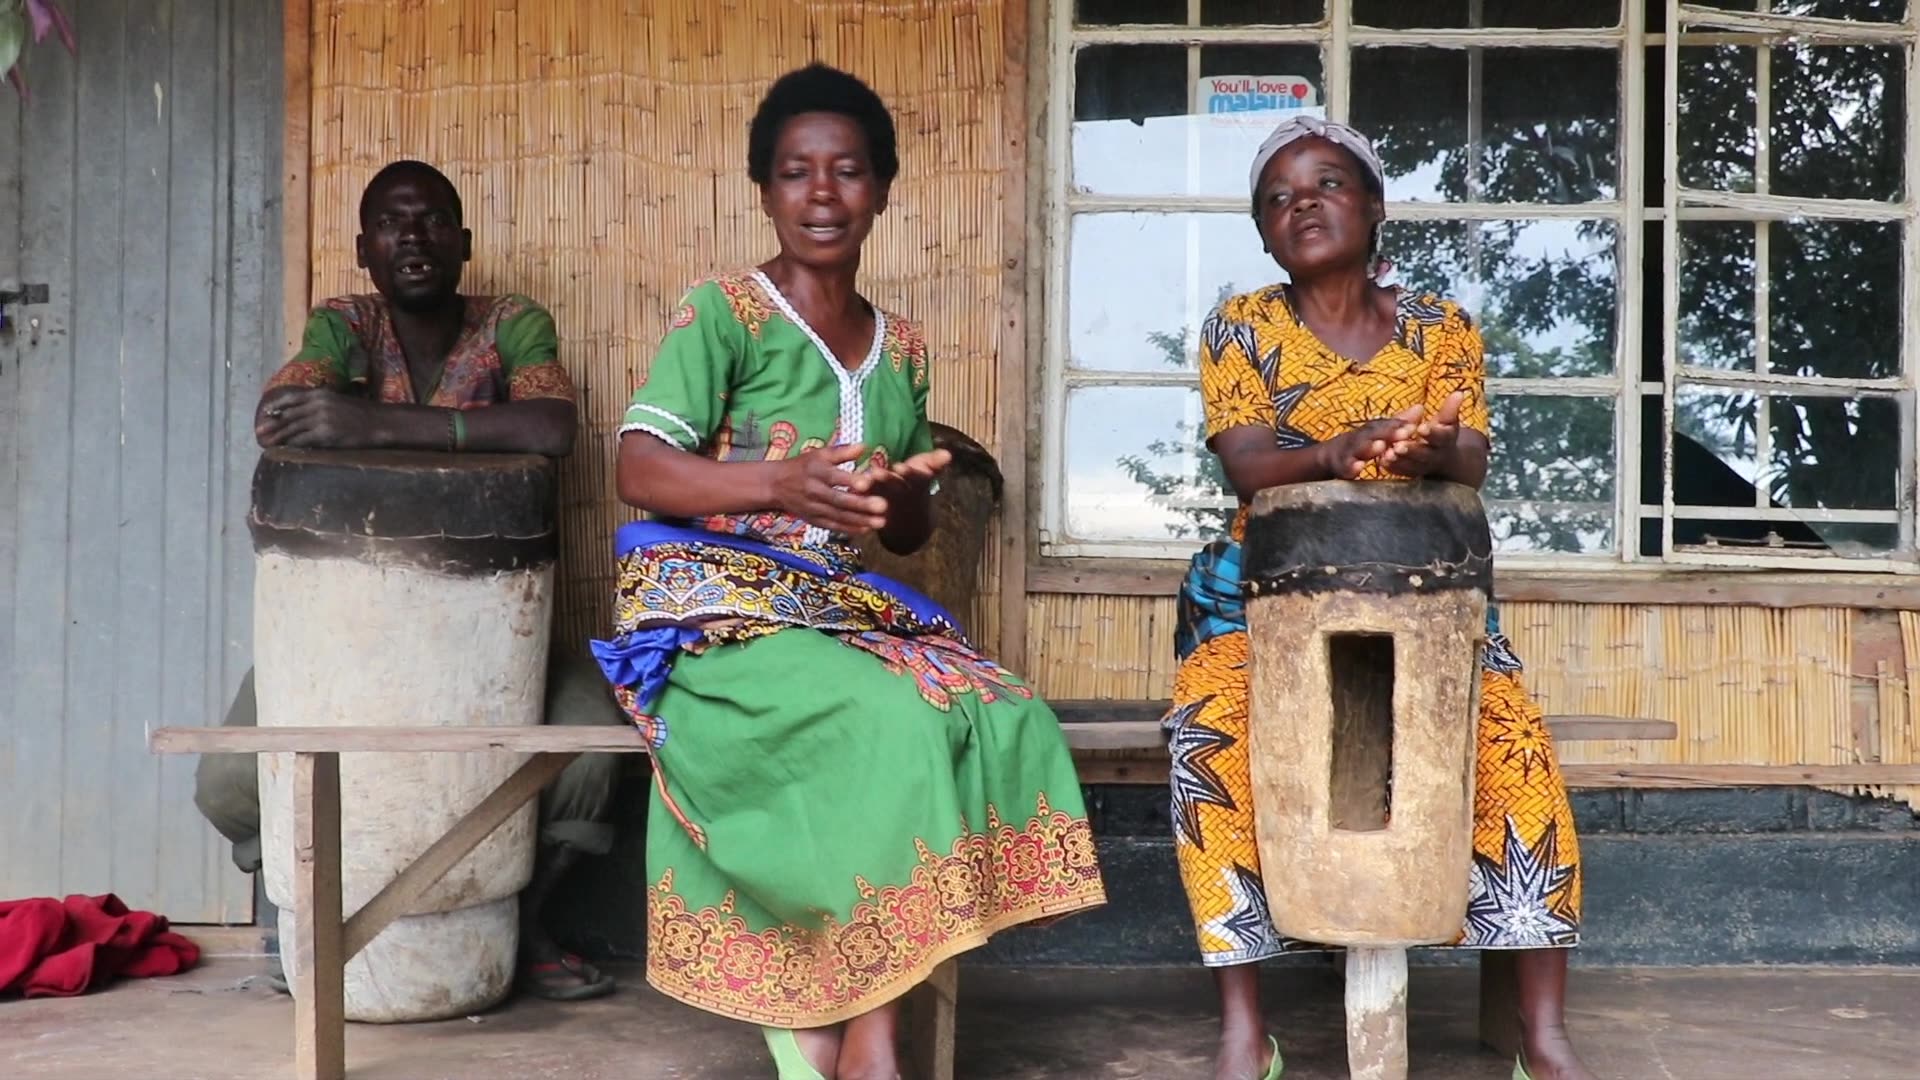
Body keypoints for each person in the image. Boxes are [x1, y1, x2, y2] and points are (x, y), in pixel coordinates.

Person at [597, 64, 1106, 1080]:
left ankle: (856, 1011)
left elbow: (903, 535)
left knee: (996, 707)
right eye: (796, 172)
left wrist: (909, 492)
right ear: (766, 190)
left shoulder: (903, 349)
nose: (822, 193)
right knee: (893, 720)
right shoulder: (726, 315)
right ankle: (869, 1036)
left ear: (881, 188)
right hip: (712, 612)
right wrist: (777, 480)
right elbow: (636, 467)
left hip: (836, 609)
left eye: (847, 172)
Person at [1166, 115, 1594, 1080]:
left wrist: (1434, 449)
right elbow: (1248, 467)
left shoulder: (1443, 329)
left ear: (1373, 204)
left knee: (1513, 745)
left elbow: (1472, 458)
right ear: (1264, 234)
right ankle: (1245, 1029)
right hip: (1264, 603)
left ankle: (1544, 1034)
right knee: (1211, 744)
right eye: (1277, 198)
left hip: (1430, 602)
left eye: (1324, 183)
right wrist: (1337, 451)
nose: (1300, 204)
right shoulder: (1241, 328)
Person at [193, 159, 622, 1002]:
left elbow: (552, 425)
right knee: (230, 780)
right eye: (392, 224)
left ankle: (522, 926)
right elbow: (275, 419)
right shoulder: (344, 327)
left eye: (431, 221)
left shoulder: (510, 326)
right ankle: (308, 928)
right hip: (346, 638)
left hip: (495, 638)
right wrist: (459, 432)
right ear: (365, 248)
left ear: (463, 241)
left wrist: (373, 423)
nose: (413, 237)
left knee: (587, 749)